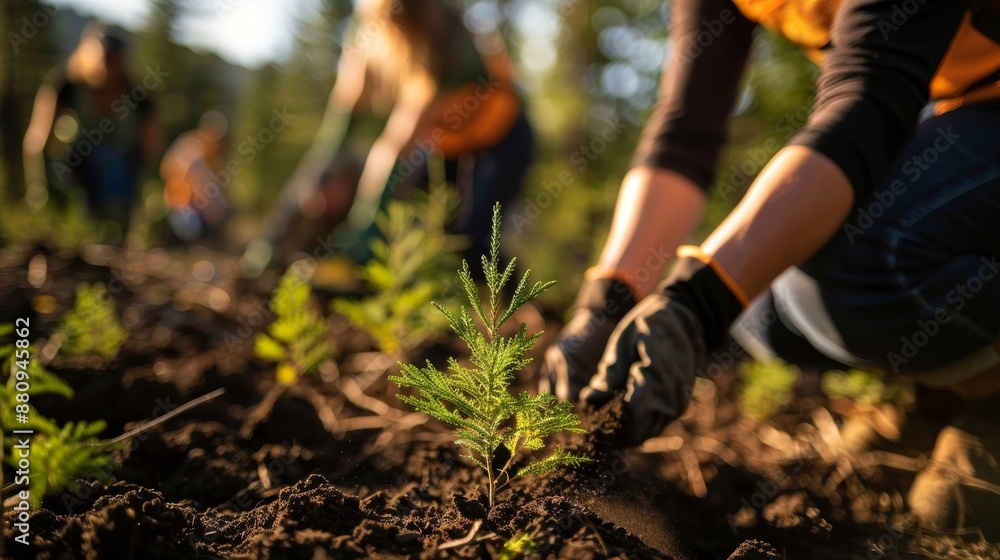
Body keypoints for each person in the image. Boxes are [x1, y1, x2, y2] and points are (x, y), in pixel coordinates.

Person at [540, 0, 1000, 536]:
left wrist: (698, 301)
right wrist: (606, 302)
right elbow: (685, 134)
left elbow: (869, 97)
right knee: (763, 305)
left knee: (838, 264)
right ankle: (950, 390)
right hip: (956, 107)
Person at [241, 0, 534, 277]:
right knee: (426, 226)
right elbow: (334, 136)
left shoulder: (442, 41)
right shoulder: (370, 32)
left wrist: (363, 228)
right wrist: (274, 233)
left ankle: (503, 304)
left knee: (470, 237)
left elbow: (397, 143)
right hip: (451, 146)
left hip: (503, 141)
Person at [23, 22, 161, 236]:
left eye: (114, 59)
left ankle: (110, 227)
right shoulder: (66, 85)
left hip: (122, 174)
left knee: (108, 160)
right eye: (103, 57)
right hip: (75, 166)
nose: (107, 66)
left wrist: (140, 198)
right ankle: (75, 225)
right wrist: (42, 191)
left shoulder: (139, 97)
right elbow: (38, 139)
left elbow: (149, 151)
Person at [160, 111, 231, 243]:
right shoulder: (190, 148)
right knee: (190, 228)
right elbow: (167, 170)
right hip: (180, 205)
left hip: (200, 210)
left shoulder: (212, 158)